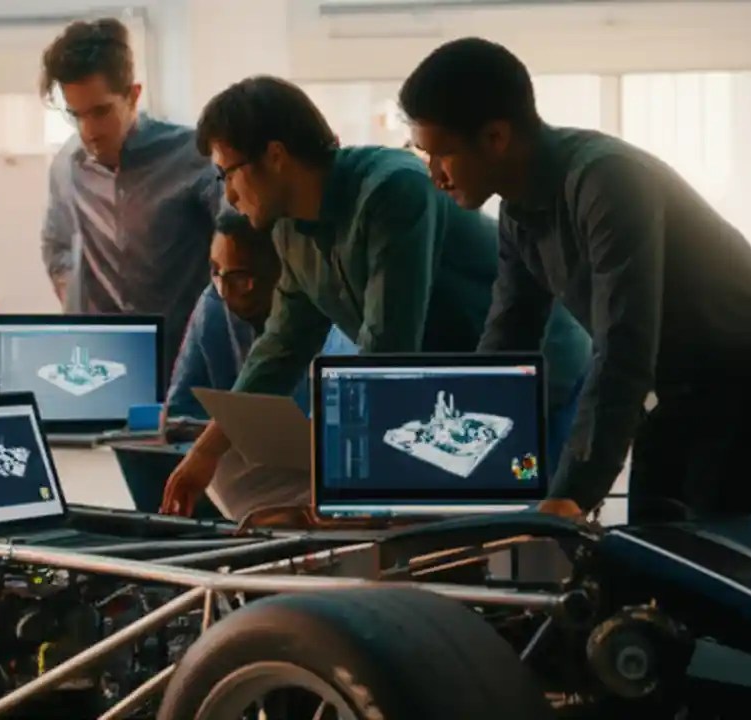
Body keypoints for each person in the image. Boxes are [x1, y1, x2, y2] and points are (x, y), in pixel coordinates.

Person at [160, 75, 591, 517]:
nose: (227, 195)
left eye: (228, 173)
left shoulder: (391, 189)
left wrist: (342, 490)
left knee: (529, 550)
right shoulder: (290, 229)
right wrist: (207, 452)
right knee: (439, 553)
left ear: (275, 156)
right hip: (454, 401)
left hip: (537, 378)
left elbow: (388, 349)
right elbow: (280, 349)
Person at [398, 37, 751, 522]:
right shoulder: (517, 212)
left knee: (706, 570)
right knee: (641, 554)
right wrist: (433, 474)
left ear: (495, 137)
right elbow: (508, 341)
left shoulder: (606, 180)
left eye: (442, 155)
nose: (435, 176)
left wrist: (571, 494)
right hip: (684, 394)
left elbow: (624, 345)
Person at [39, 17, 222, 370]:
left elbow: (237, 248)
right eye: (76, 115)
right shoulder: (67, 166)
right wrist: (77, 306)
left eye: (101, 111)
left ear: (133, 95)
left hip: (187, 360)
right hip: (100, 360)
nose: (88, 131)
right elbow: (56, 246)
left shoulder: (194, 156)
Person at [165, 208, 357, 421]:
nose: (226, 293)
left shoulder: (338, 326)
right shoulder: (214, 304)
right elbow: (181, 410)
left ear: (285, 271)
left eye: (240, 278)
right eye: (216, 273)